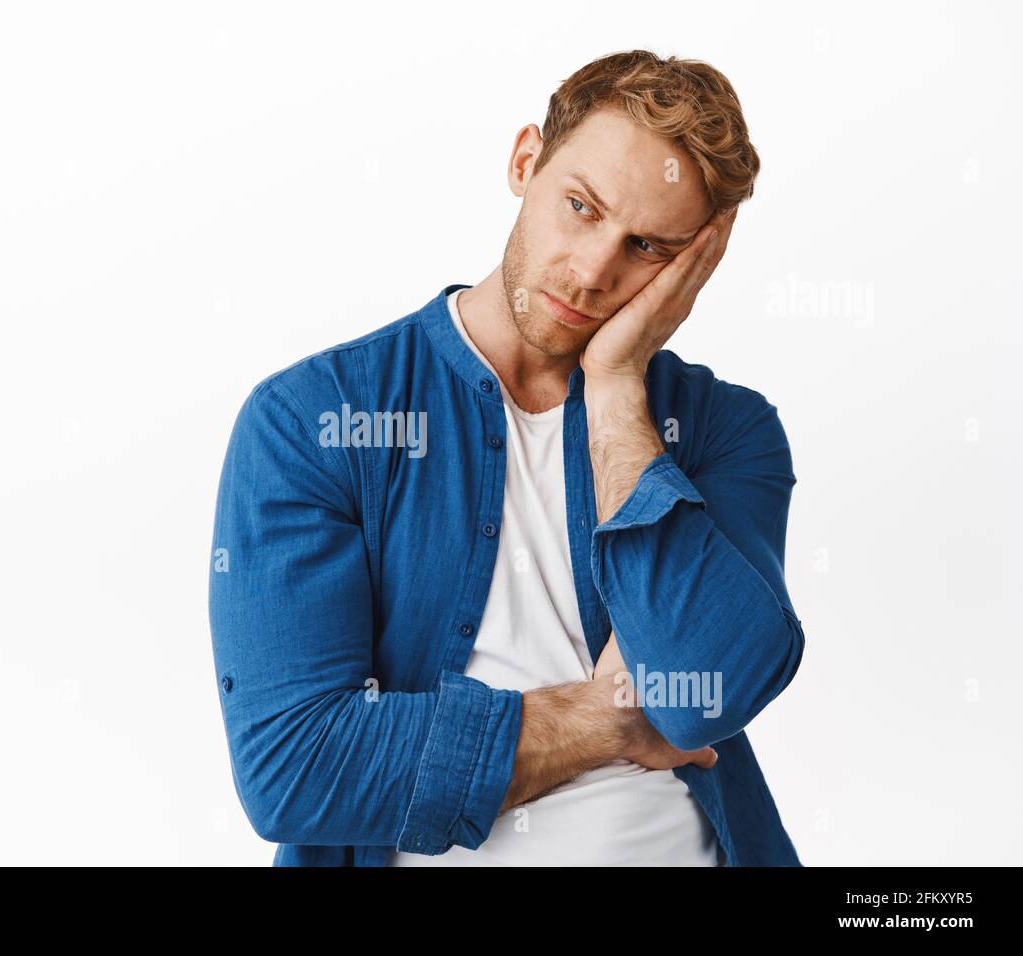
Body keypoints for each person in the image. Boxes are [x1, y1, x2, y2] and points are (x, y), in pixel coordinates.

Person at [209, 49, 805, 866]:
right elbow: (297, 769)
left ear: (693, 267)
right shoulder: (314, 418)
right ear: (525, 160)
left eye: (647, 248)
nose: (594, 271)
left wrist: (618, 388)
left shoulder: (724, 431)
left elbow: (707, 695)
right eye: (580, 206)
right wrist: (607, 716)